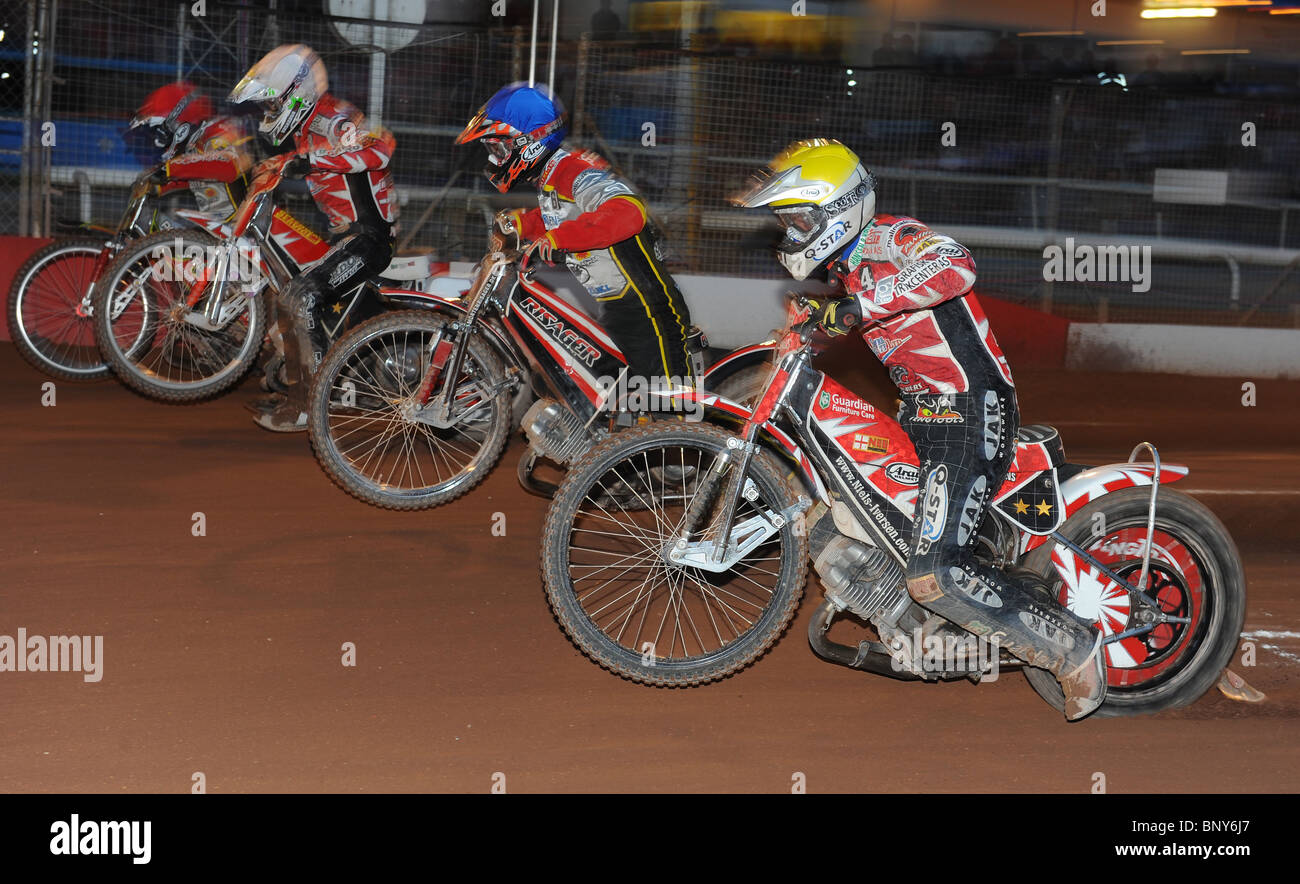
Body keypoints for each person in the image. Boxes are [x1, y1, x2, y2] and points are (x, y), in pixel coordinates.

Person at [733, 138, 1107, 720]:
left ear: (839, 209)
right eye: (787, 220)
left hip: (970, 411)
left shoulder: (891, 237)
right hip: (923, 416)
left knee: (937, 570)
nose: (791, 231)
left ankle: (1072, 646)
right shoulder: (847, 270)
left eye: (800, 217)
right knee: (837, 519)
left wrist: (859, 307)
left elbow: (956, 264)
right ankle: (917, 625)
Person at [456, 82, 695, 386]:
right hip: (617, 308)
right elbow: (561, 216)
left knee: (665, 408)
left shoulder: (576, 171)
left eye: (498, 148)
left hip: (649, 311)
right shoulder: (552, 175)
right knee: (611, 399)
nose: (494, 159)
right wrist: (523, 226)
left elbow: (627, 211)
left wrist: (559, 239)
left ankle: (691, 434)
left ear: (529, 143)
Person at [228, 44, 398, 432]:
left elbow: (380, 150)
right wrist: (278, 163)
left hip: (370, 239)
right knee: (287, 294)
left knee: (299, 296)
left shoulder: (333, 119)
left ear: (295, 94)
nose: (268, 117)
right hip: (346, 238)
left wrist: (309, 160)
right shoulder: (308, 128)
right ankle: (294, 388)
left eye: (272, 106)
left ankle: (311, 407)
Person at [128, 81, 256, 220]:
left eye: (159, 133)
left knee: (177, 235)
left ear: (179, 123)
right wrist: (158, 185)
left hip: (253, 229)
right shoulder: (197, 144)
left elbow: (230, 166)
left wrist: (170, 169)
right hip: (229, 229)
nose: (157, 141)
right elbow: (199, 176)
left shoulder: (219, 131)